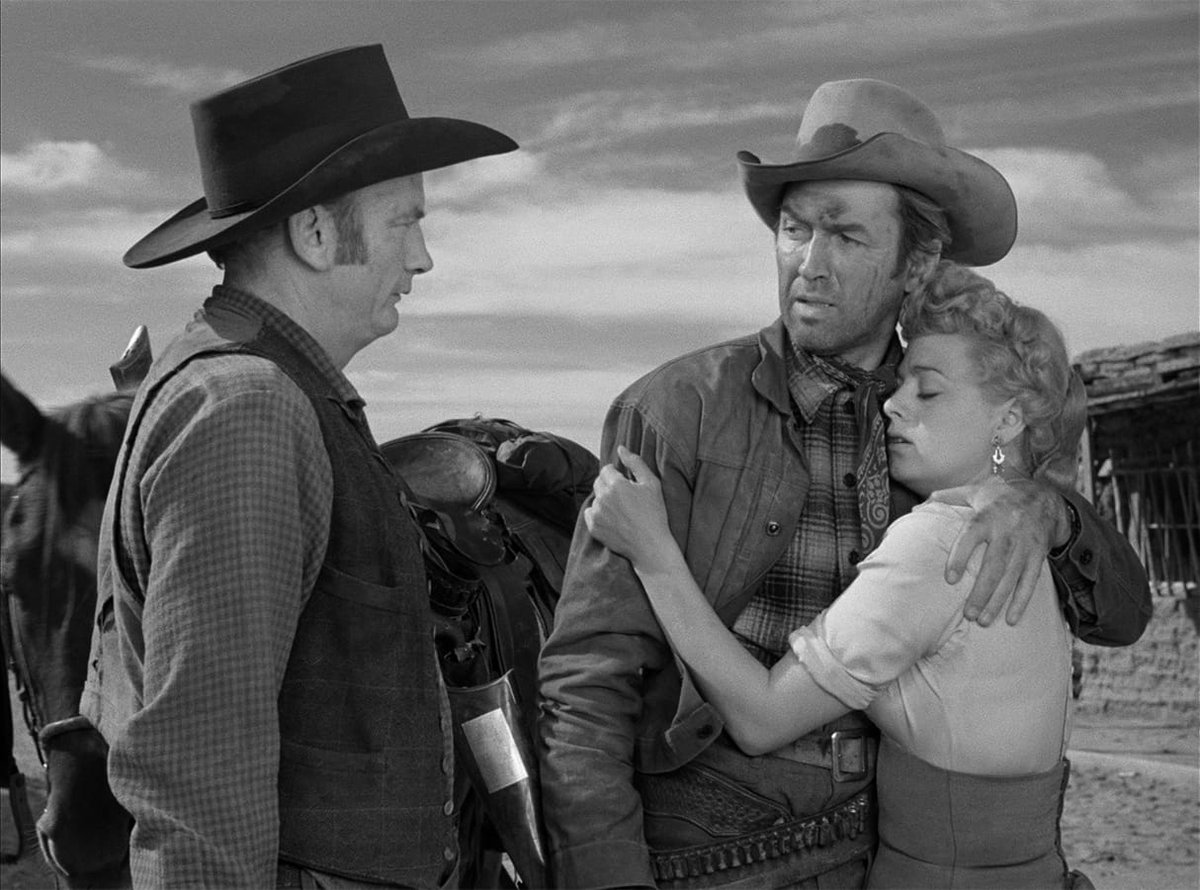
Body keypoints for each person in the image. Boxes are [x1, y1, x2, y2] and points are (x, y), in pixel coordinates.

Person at [536, 79, 1150, 889]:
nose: (809, 264)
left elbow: (1122, 617)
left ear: (916, 262)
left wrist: (1051, 511)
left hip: (900, 858)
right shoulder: (678, 409)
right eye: (795, 229)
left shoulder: (952, 420)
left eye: (847, 235)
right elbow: (587, 684)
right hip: (719, 863)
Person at [76, 45, 517, 888]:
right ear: (315, 234)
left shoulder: (258, 390)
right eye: (405, 222)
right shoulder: (247, 408)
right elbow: (199, 777)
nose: (423, 258)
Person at [586, 262, 1093, 888]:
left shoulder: (940, 541)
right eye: (900, 385)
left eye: (928, 393)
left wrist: (654, 553)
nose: (893, 405)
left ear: (1008, 420)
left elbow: (761, 718)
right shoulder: (1033, 534)